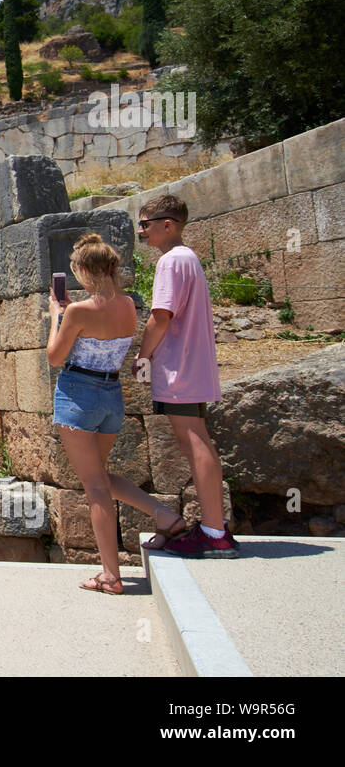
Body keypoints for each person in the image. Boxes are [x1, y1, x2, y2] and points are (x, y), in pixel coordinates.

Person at [46, 233, 188, 594]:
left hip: (78, 395)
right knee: (102, 478)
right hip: (111, 397)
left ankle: (110, 574)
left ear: (83, 270)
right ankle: (165, 515)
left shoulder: (78, 310)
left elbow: (54, 356)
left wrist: (56, 317)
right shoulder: (127, 305)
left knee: (95, 487)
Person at [134, 195, 239, 558]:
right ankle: (214, 525)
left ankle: (214, 533)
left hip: (180, 366)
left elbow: (160, 316)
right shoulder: (189, 259)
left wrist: (143, 354)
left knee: (194, 440)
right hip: (193, 364)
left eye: (146, 224)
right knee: (198, 441)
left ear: (169, 224)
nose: (141, 231)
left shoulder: (171, 262)